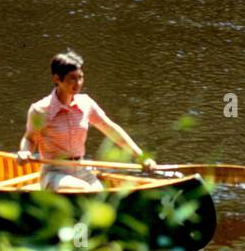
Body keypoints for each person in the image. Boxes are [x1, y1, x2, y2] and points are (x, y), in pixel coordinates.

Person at [17, 50, 152, 191]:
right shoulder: (40, 110)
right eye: (72, 78)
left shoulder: (86, 103)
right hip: (54, 172)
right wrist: (25, 152)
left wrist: (141, 156)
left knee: (100, 193)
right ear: (57, 79)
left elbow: (111, 129)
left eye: (80, 77)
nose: (78, 83)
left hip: (81, 169)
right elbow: (30, 138)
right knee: (85, 190)